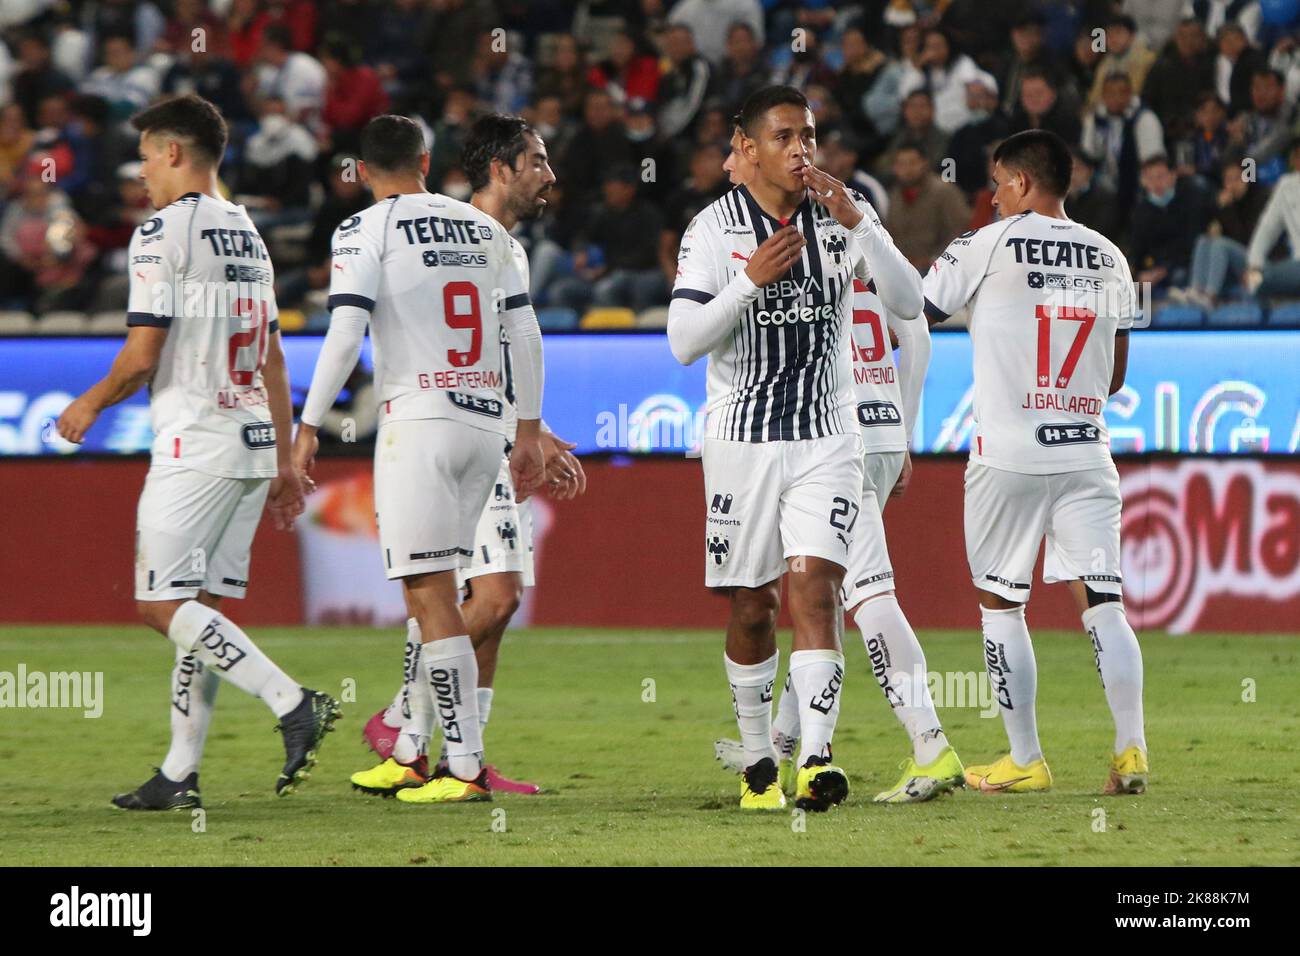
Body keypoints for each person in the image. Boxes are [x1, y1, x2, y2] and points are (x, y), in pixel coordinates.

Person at [54, 94, 341, 810]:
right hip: (247, 445)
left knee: (160, 604)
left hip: (197, 441)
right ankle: (179, 774)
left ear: (175, 153)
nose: (142, 173)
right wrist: (280, 459)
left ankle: (292, 702)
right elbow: (274, 356)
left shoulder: (161, 232)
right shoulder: (249, 230)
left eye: (148, 156)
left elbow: (142, 355)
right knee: (200, 615)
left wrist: (89, 401)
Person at [668, 85, 922, 812]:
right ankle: (756, 759)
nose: (800, 149)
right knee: (753, 606)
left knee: (815, 591)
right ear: (746, 149)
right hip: (742, 440)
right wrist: (748, 283)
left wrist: (865, 225)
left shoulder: (842, 218)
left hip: (826, 435)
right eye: (783, 137)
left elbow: (908, 302)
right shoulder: (712, 231)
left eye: (808, 134)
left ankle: (816, 758)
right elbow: (684, 343)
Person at [293, 113, 546, 805]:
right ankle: (417, 752)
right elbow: (524, 333)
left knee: (429, 593)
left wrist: (310, 423)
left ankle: (459, 765)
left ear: (362, 172)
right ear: (426, 162)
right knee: (449, 590)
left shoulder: (363, 230)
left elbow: (346, 329)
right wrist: (527, 427)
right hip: (484, 426)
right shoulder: (484, 229)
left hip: (419, 422)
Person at [711, 112, 961, 803]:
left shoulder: (805, 243)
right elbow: (919, 334)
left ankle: (930, 745)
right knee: (818, 589)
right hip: (873, 429)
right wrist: (903, 425)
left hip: (830, 432)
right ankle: (788, 746)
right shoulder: (851, 240)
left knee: (863, 592)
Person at [356, 113, 587, 795]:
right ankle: (407, 727)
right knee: (481, 593)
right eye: (539, 161)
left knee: (492, 597)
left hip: (486, 432)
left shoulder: (499, 245)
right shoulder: (456, 237)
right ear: (501, 167)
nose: (550, 175)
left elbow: (502, 354)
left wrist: (532, 432)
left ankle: (433, 749)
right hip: (449, 433)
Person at [921, 130, 1148, 797]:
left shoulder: (987, 244)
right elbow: (1114, 377)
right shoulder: (1110, 257)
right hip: (1086, 450)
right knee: (1104, 602)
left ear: (1020, 181)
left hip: (1010, 455)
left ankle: (1025, 759)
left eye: (996, 183)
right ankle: (1130, 750)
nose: (991, 197)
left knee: (1000, 604)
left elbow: (918, 307)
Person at [1245, 137, 1300, 299]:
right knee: (1256, 281)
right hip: (1295, 266)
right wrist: (1254, 266)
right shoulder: (1286, 186)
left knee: (1265, 279)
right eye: (1297, 156)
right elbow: (1266, 229)